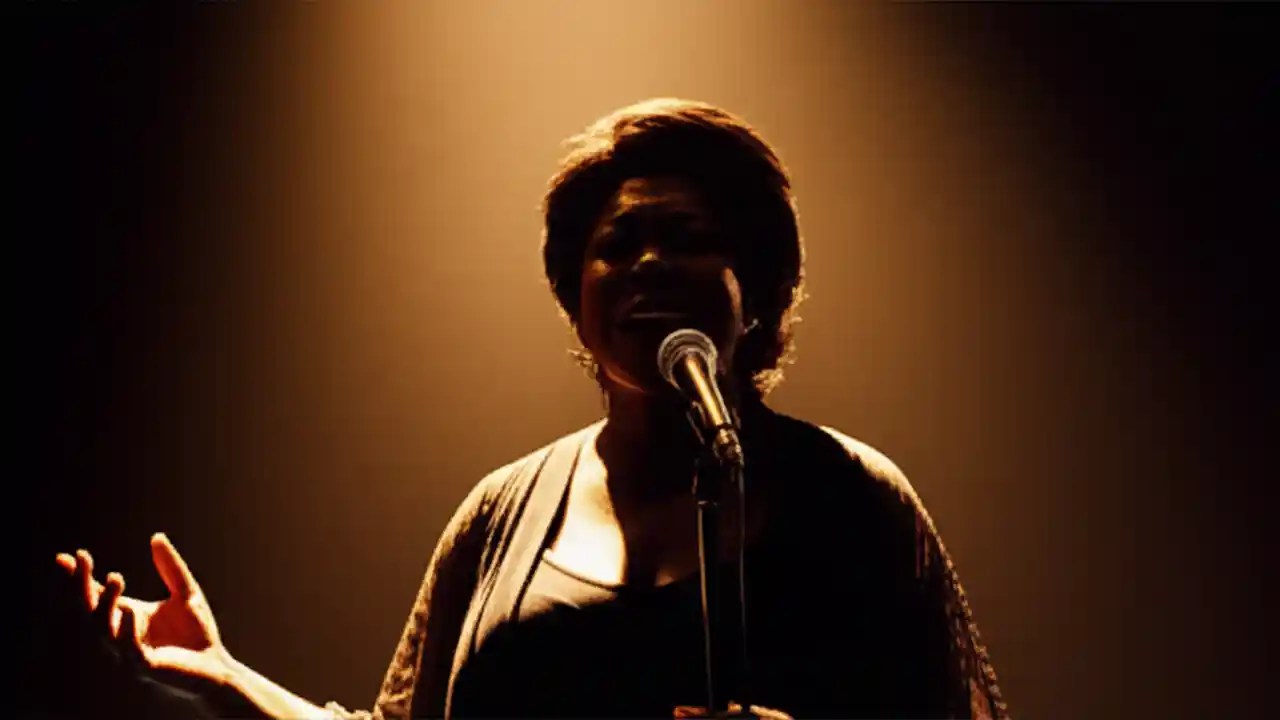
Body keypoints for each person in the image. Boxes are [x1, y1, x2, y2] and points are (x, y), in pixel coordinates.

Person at [54, 98, 1009, 719]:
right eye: (616, 243)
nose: (646, 264)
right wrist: (226, 679)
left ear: (754, 288)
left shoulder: (855, 500)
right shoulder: (505, 511)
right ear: (574, 294)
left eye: (684, 238)